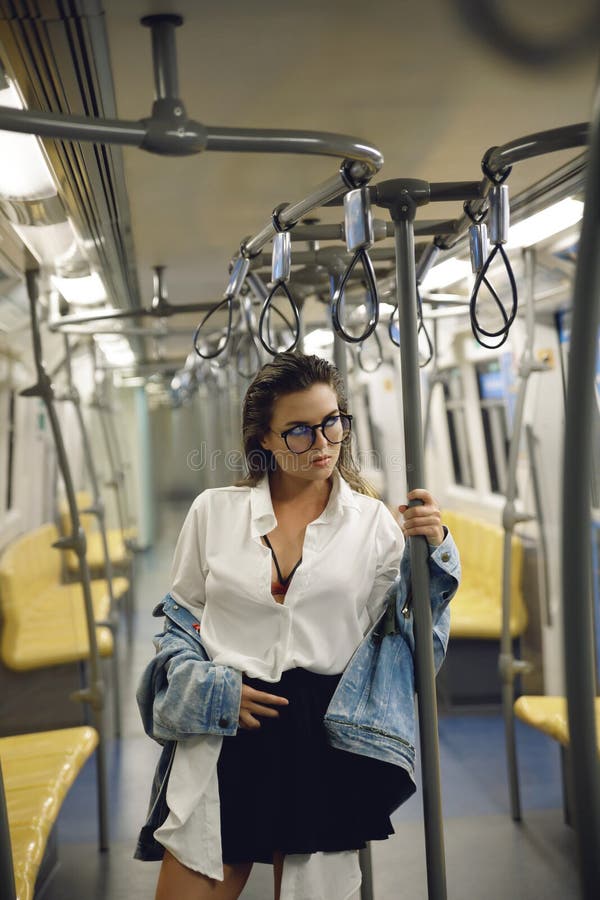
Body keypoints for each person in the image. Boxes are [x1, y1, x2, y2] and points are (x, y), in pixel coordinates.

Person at [138, 351, 457, 900]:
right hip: (228, 726)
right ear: (263, 437)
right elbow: (181, 623)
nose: (323, 443)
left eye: (333, 422)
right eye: (300, 431)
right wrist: (213, 691)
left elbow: (411, 641)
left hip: (324, 735)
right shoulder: (214, 513)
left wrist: (435, 551)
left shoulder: (373, 522)